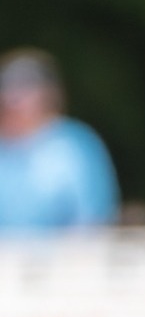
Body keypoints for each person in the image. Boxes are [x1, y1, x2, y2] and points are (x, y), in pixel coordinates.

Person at [0, 49, 119, 232]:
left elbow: (92, 219)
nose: (14, 97)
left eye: (26, 86)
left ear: (49, 94)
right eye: (8, 85)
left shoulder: (76, 145)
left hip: (61, 257)